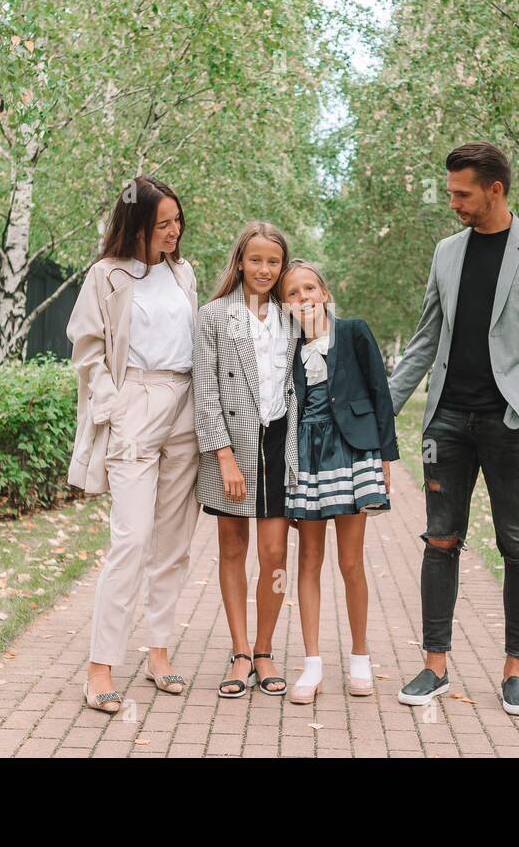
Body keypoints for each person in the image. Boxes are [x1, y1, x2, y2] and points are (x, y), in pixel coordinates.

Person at [388, 141, 519, 716]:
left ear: (495, 190)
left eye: (462, 193)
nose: (452, 202)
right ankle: (434, 666)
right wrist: (385, 407)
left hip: (512, 422)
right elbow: (426, 337)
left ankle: (517, 668)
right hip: (447, 419)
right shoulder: (447, 252)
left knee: (518, 544)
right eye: (450, 192)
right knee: (439, 540)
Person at [66, 176, 199, 713]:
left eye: (176, 222)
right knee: (132, 538)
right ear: (137, 225)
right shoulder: (107, 275)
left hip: (184, 403)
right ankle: (100, 667)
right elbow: (87, 348)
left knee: (173, 543)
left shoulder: (183, 272)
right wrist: (115, 408)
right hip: (136, 402)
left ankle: (159, 652)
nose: (173, 232)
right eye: (162, 223)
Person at [280, 259, 397, 704]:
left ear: (324, 293)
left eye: (310, 288)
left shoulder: (354, 332)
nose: (303, 297)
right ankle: (311, 664)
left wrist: (387, 456)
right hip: (307, 455)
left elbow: (380, 393)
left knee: (351, 561)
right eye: (292, 293)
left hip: (353, 452)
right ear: (284, 305)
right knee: (309, 560)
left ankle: (360, 657)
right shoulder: (286, 347)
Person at [192, 222, 298, 698]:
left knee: (274, 553)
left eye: (273, 261)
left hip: (279, 443)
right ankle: (239, 652)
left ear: (282, 266)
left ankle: (264, 649)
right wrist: (225, 457)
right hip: (230, 447)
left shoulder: (293, 314)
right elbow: (205, 392)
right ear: (239, 262)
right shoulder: (214, 316)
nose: (264, 269)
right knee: (233, 550)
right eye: (255, 259)